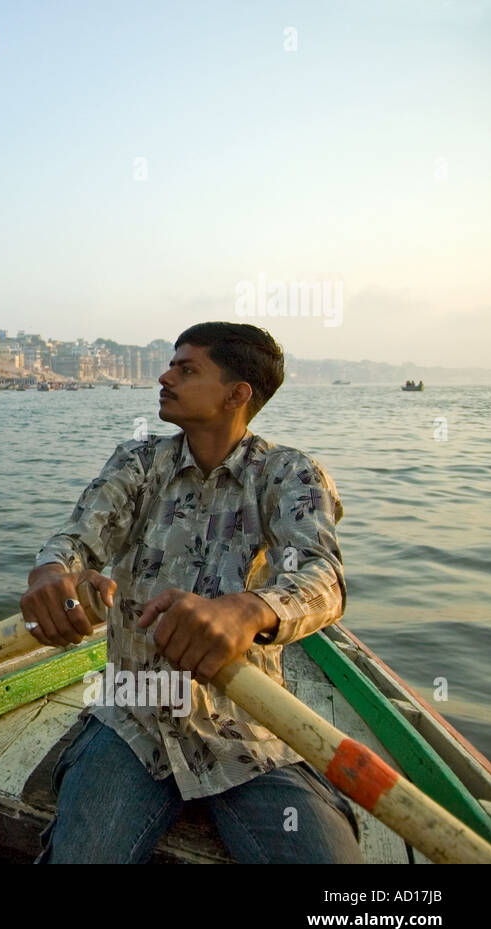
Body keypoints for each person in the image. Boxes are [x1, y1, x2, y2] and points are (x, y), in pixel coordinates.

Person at [22, 321, 361, 864]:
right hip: (133, 719)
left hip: (247, 729)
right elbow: (78, 539)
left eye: (186, 369)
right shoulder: (138, 462)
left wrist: (249, 610)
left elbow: (324, 578)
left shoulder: (288, 473)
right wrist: (51, 574)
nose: (165, 376)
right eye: (170, 364)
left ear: (237, 394)